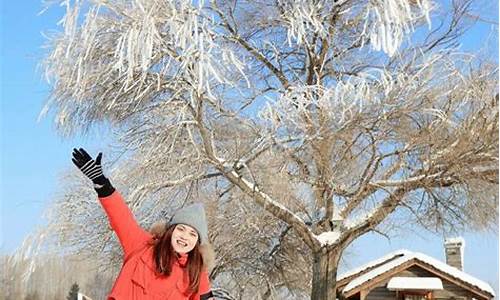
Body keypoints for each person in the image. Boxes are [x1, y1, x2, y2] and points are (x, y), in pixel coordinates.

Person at [72, 148, 215, 300]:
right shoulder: (142, 246)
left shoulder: (197, 273)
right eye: (181, 229)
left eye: (193, 234)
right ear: (170, 231)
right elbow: (121, 217)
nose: (185, 237)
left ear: (198, 243)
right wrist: (102, 183)